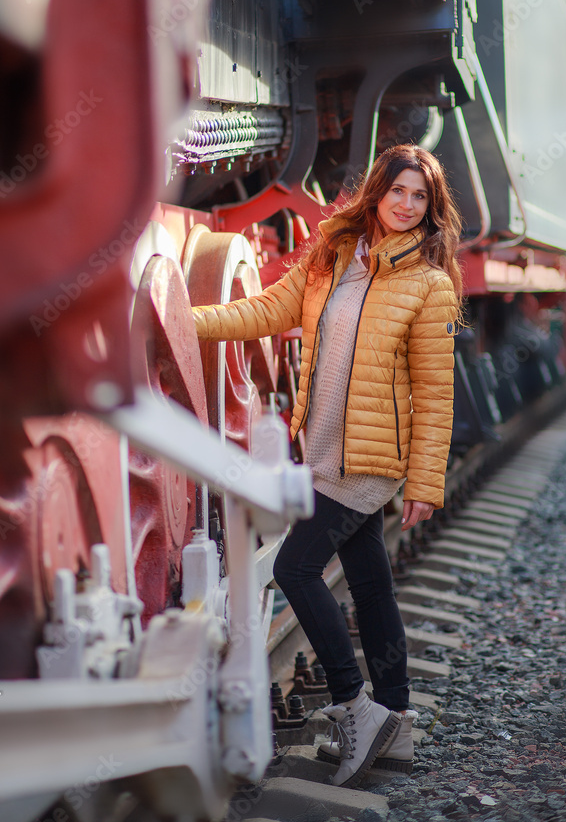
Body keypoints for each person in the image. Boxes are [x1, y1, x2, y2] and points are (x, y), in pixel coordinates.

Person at [191, 144, 462, 787]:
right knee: (370, 584)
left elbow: (435, 390)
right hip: (323, 451)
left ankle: (352, 705)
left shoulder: (429, 284)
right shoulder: (334, 258)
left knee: (294, 567)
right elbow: (264, 311)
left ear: (430, 209)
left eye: (419, 197)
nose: (405, 204)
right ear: (376, 192)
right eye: (397, 190)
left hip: (368, 461)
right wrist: (184, 317)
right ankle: (395, 721)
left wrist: (425, 481)